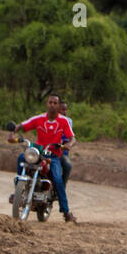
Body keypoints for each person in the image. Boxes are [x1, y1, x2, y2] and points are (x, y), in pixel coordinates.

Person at [11, 93, 76, 223]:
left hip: (54, 155)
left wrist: (69, 144)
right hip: (38, 152)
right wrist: (13, 133)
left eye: (55, 103)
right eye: (50, 102)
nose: (52, 105)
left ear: (58, 106)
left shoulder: (63, 121)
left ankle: (66, 212)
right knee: (21, 158)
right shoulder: (39, 119)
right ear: (47, 104)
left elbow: (72, 137)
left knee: (57, 180)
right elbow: (23, 126)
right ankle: (17, 191)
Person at [58, 99, 74, 184]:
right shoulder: (46, 119)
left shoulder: (68, 121)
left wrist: (67, 145)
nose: (65, 112)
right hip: (47, 150)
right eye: (62, 109)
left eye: (65, 109)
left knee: (67, 165)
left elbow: (70, 138)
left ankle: (62, 188)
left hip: (61, 151)